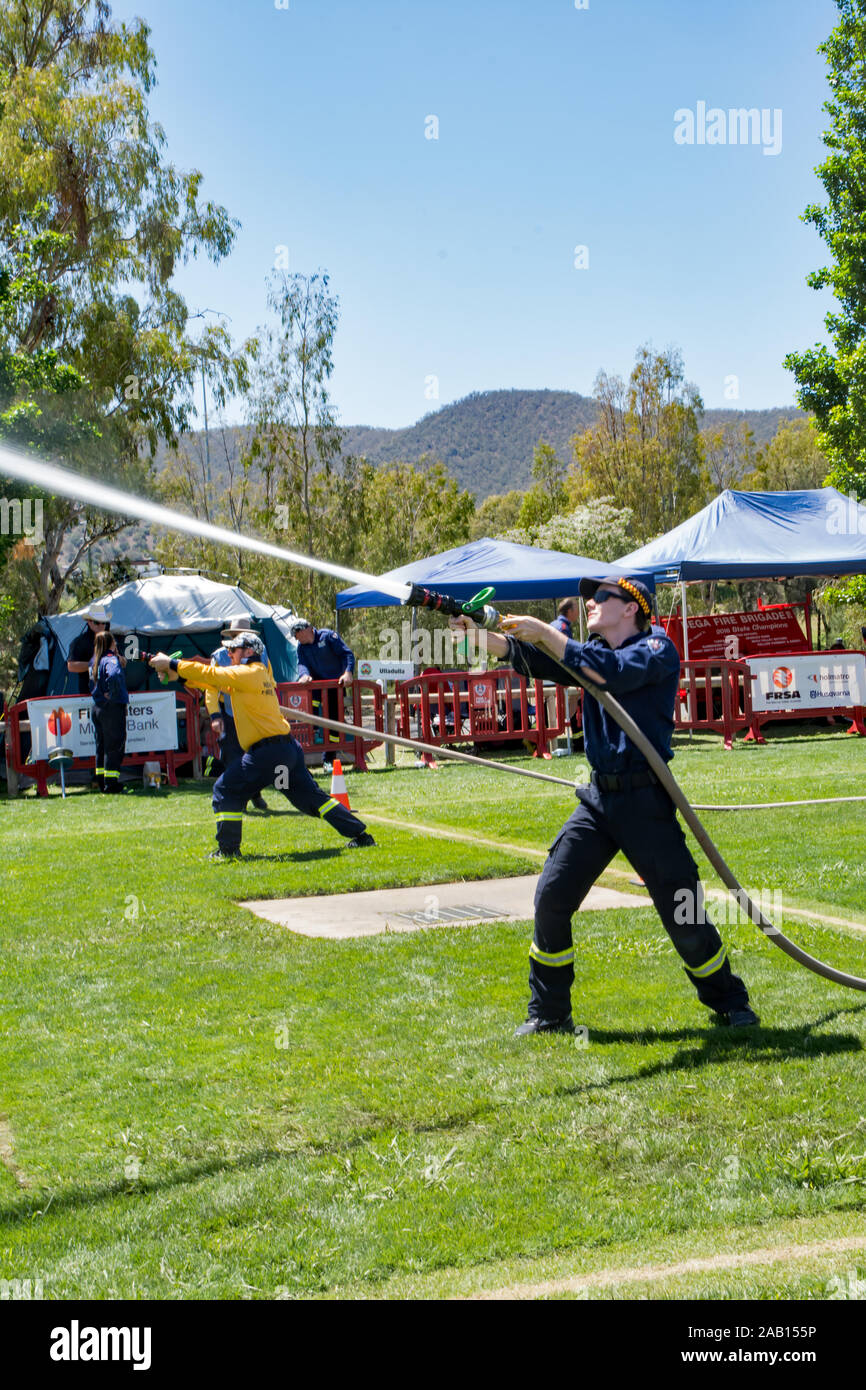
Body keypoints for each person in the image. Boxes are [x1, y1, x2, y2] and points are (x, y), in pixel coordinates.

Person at [451, 574, 759, 1036]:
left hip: (645, 801)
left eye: (601, 598)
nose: (590, 603)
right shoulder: (590, 653)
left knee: (682, 911)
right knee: (551, 898)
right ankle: (549, 1013)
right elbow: (531, 658)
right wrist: (476, 634)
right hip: (599, 800)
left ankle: (730, 1003)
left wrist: (543, 630)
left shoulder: (657, 649)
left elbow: (608, 673)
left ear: (631, 607)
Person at [150, 632, 375, 860]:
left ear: (249, 651)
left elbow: (211, 673)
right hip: (285, 751)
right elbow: (211, 682)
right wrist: (177, 675)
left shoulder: (249, 673)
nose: (229, 654)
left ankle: (228, 850)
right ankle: (361, 834)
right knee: (311, 799)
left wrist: (172, 663)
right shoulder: (254, 675)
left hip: (268, 753)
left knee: (225, 789)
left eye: (233, 650)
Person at [206, 614, 270, 811]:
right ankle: (239, 798)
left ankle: (255, 793)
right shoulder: (219, 656)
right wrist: (215, 716)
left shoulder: (261, 652)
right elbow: (211, 688)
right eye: (238, 635)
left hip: (253, 714)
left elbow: (268, 681)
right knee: (232, 757)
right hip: (230, 714)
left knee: (256, 757)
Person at [289, 618, 356, 771]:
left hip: (335, 687)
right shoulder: (301, 647)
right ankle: (309, 745)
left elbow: (347, 654)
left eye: (297, 634)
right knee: (310, 717)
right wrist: (303, 675)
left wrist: (348, 673)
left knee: (333, 723)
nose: (296, 638)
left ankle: (329, 760)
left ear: (306, 629)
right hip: (316, 688)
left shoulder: (327, 636)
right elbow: (302, 664)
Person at [89, 630, 129, 793]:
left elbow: (91, 684)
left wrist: (101, 694)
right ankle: (111, 784)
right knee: (114, 747)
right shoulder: (110, 659)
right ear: (111, 643)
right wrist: (113, 695)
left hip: (97, 707)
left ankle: (101, 781)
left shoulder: (94, 661)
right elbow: (113, 675)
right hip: (111, 709)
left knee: (101, 746)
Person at [67, 605, 125, 695]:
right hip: (88, 695)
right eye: (97, 622)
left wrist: (117, 659)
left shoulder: (111, 640)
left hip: (112, 692)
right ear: (89, 622)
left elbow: (124, 662)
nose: (101, 625)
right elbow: (71, 666)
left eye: (103, 622)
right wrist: (94, 664)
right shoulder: (80, 642)